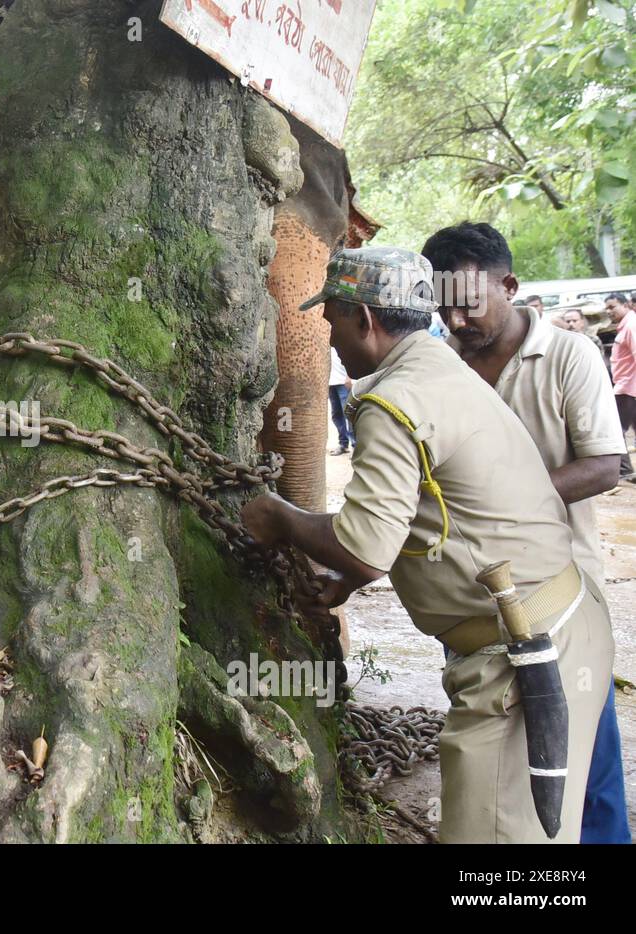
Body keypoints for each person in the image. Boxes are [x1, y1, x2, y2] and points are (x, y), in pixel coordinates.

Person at [241, 246, 613, 843]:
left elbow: (365, 546)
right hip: (559, 622)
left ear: (364, 319)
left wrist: (281, 518)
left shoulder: (393, 401)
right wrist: (351, 578)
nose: (329, 336)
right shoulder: (439, 368)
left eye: (331, 318)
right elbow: (427, 508)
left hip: (522, 658)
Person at [422, 221, 630, 844]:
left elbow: (605, 465)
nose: (456, 322)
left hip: (559, 597)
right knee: (506, 753)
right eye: (443, 307)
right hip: (473, 600)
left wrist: (504, 500)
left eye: (469, 304)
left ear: (508, 286)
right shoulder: (443, 366)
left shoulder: (566, 356)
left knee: (586, 756)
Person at [607, 293, 636, 481]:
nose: (609, 312)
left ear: (626, 305)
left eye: (612, 307)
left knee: (616, 430)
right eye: (607, 308)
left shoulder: (631, 326)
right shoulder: (625, 325)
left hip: (627, 387)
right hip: (627, 386)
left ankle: (624, 470)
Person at [328, 347, 354, 455]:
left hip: (343, 382)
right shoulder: (324, 340)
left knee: (348, 415)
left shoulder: (339, 339)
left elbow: (351, 357)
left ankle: (355, 445)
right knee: (336, 415)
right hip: (330, 383)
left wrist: (349, 377)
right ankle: (343, 444)